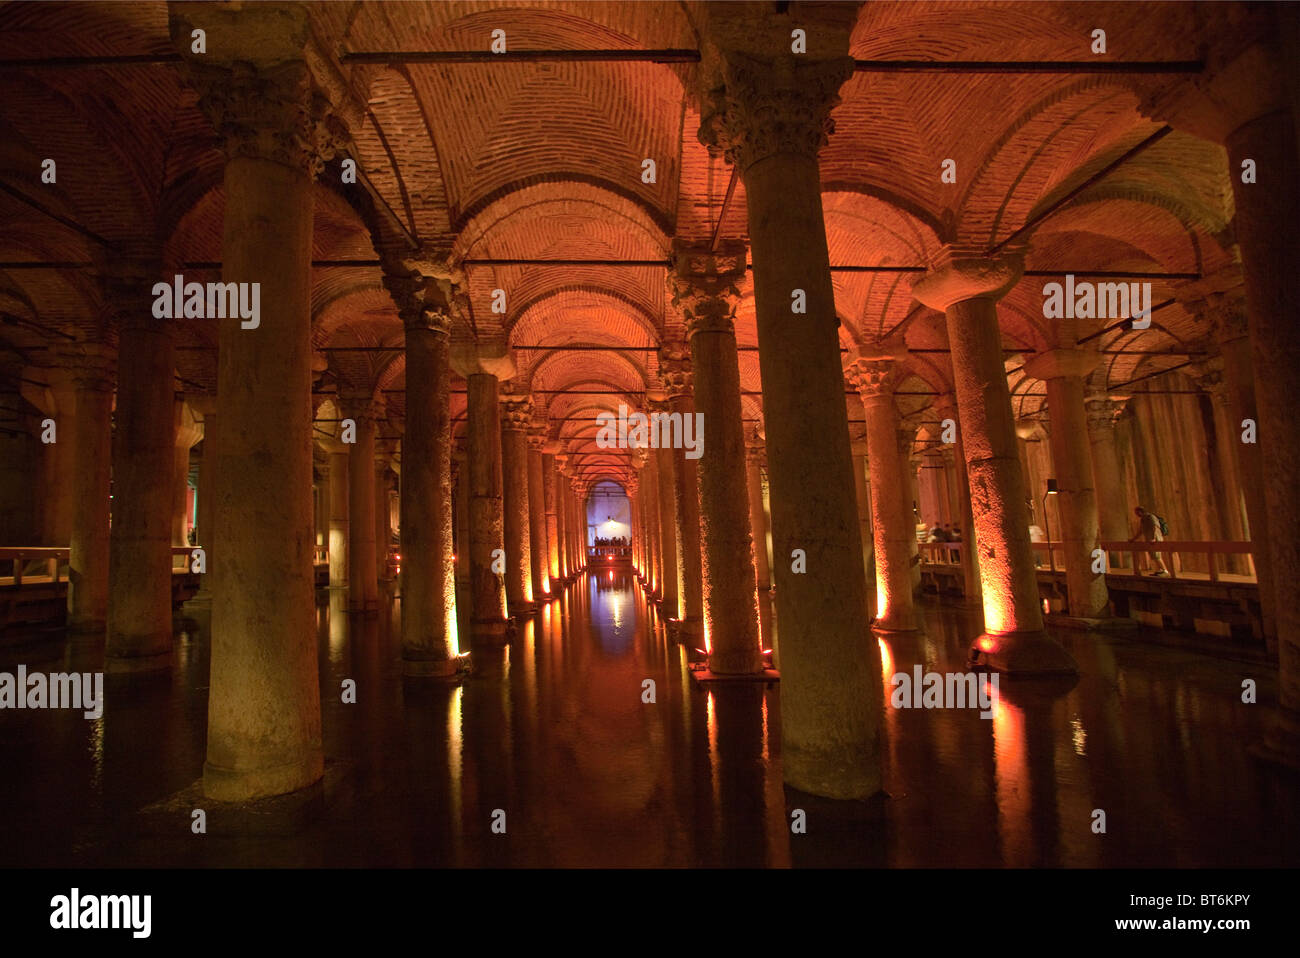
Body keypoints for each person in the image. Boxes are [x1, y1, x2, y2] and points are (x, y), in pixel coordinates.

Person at [1131, 506, 1169, 576]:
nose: (1136, 514)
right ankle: (1160, 570)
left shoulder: (1150, 517)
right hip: (1149, 539)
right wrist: (1133, 539)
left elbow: (1155, 526)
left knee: (1157, 555)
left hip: (1155, 538)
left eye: (1136, 512)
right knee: (1153, 555)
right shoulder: (1143, 519)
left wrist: (1154, 538)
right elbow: (1140, 531)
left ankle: (1165, 570)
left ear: (1140, 511)